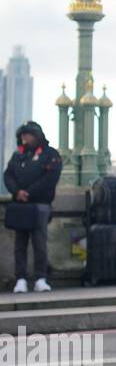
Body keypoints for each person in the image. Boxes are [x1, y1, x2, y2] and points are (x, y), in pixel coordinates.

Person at [4, 121, 62, 292]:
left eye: (27, 135)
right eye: (22, 135)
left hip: (40, 205)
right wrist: (17, 192)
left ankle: (41, 278)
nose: (24, 138)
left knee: (40, 243)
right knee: (20, 244)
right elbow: (8, 175)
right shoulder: (18, 156)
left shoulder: (50, 154)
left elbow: (50, 178)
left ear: (36, 136)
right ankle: (20, 278)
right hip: (20, 205)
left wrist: (29, 192)